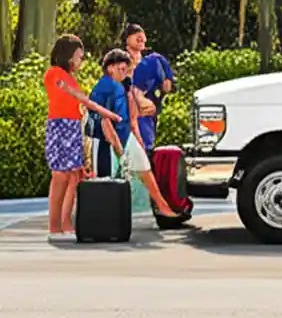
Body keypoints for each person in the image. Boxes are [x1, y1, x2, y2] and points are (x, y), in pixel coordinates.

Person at [86, 48, 183, 220]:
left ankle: (162, 206)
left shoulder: (123, 88)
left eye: (127, 70)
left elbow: (132, 120)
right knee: (106, 177)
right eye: (122, 69)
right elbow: (104, 120)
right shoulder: (105, 88)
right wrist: (117, 147)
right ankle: (103, 217)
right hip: (107, 139)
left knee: (144, 167)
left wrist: (138, 143)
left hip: (125, 135)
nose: (125, 74)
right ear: (110, 68)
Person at [42, 34, 121, 243]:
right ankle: (54, 226)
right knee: (60, 175)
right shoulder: (53, 74)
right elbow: (76, 96)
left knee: (73, 177)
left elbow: (80, 100)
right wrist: (104, 111)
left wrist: (104, 113)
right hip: (60, 126)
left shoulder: (71, 78)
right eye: (79, 57)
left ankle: (66, 224)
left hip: (73, 126)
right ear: (67, 56)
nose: (81, 61)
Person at [120, 23, 175, 153]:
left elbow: (167, 87)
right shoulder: (119, 61)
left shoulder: (153, 60)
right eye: (135, 34)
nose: (140, 37)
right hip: (127, 113)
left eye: (142, 34)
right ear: (126, 40)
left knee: (146, 149)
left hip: (147, 115)